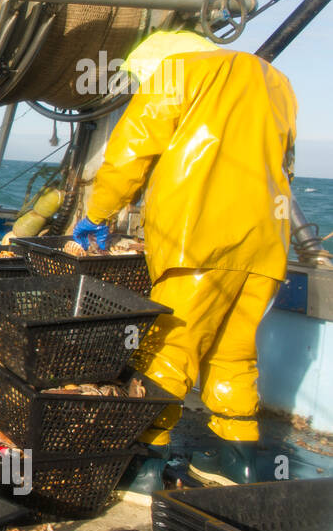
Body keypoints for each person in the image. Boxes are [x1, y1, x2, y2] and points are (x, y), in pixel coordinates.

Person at [73, 30, 298, 488]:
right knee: (234, 353)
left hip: (196, 240)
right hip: (266, 243)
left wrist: (97, 213)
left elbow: (130, 152)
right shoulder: (277, 81)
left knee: (168, 348)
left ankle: (144, 463)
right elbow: (284, 161)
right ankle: (238, 457)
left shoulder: (176, 71)